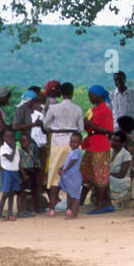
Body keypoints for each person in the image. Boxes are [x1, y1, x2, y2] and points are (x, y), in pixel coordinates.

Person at [43, 82, 85, 212]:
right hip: (71, 143)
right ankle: (69, 208)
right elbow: (81, 128)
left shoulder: (54, 108)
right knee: (70, 175)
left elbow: (45, 124)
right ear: (72, 93)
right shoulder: (77, 109)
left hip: (57, 143)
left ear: (61, 93)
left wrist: (55, 129)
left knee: (56, 175)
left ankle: (51, 208)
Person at [81, 85, 115, 214]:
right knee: (91, 174)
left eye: (91, 95)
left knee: (100, 175)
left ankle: (101, 205)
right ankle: (106, 202)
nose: (89, 98)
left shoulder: (105, 111)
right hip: (92, 144)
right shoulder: (94, 109)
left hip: (100, 144)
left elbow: (109, 131)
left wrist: (91, 126)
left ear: (99, 96)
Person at [56, 131, 84, 218]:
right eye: (71, 141)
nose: (73, 144)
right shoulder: (72, 152)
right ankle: (71, 211)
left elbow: (72, 162)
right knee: (72, 195)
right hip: (70, 177)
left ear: (80, 143)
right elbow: (68, 162)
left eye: (75, 142)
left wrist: (64, 170)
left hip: (74, 178)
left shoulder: (77, 152)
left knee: (76, 197)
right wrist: (61, 168)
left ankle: (74, 214)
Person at [0, 132, 21, 221]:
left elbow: (18, 161)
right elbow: (10, 159)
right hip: (7, 172)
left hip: (15, 171)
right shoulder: (3, 148)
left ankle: (9, 213)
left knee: (12, 193)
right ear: (4, 138)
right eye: (7, 136)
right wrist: (14, 149)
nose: (10, 138)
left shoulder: (16, 148)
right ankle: (0, 212)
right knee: (5, 193)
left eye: (11, 136)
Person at [17, 132, 41, 215]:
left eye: (26, 141)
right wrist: (23, 175)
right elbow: (18, 164)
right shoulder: (19, 151)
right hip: (23, 172)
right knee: (22, 193)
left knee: (31, 191)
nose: (24, 142)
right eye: (22, 141)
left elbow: (35, 161)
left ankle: (28, 209)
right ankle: (20, 210)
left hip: (31, 171)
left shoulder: (31, 150)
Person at [109, 131, 134, 201]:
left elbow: (122, 174)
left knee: (103, 179)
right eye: (112, 140)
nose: (112, 143)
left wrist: (106, 175)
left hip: (122, 181)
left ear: (123, 144)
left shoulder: (126, 155)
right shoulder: (109, 151)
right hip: (110, 178)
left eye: (115, 141)